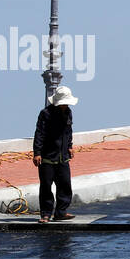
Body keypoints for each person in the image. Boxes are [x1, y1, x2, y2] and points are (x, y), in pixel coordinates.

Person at [32, 85, 79, 223]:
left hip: (62, 157)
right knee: (46, 186)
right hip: (47, 157)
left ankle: (61, 212)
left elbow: (68, 131)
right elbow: (39, 133)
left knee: (65, 185)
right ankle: (45, 214)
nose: (65, 106)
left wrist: (70, 146)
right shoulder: (45, 114)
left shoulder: (68, 112)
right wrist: (37, 153)